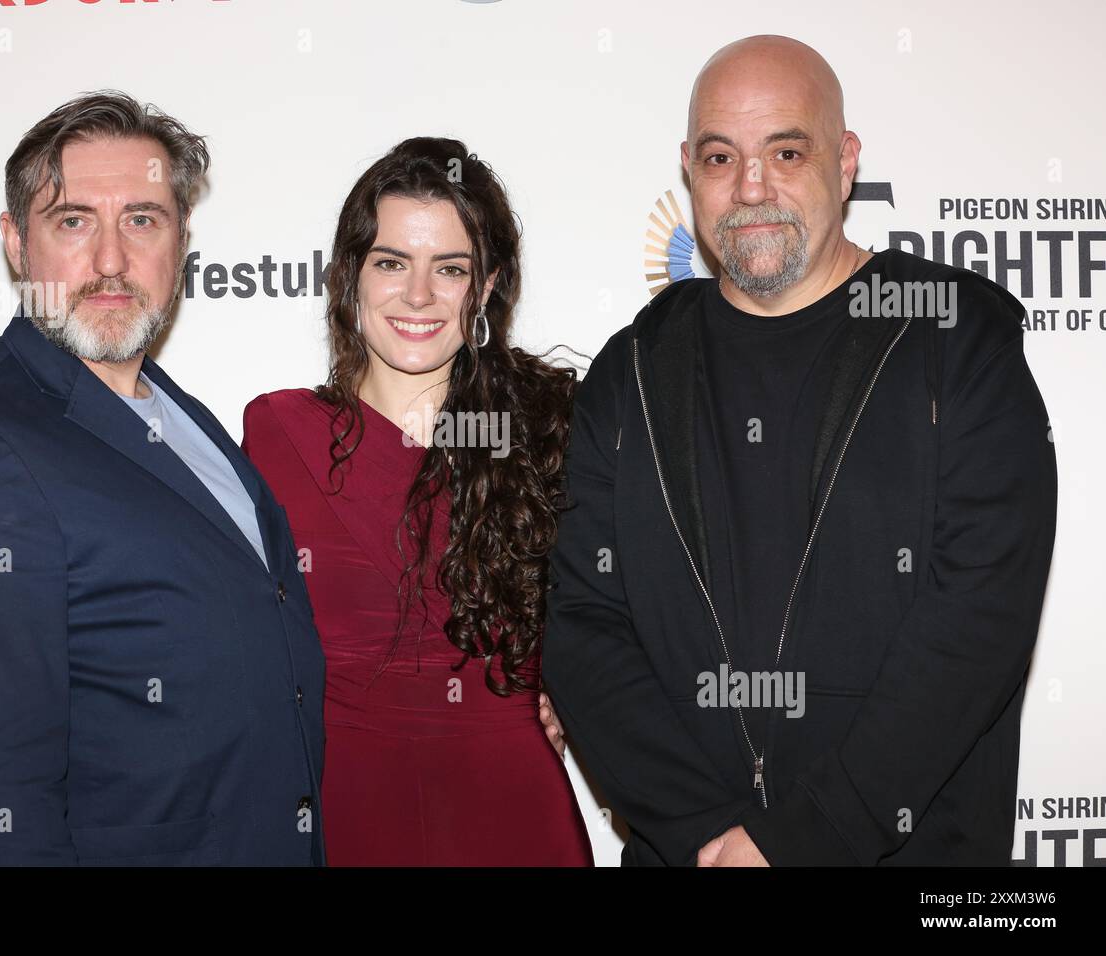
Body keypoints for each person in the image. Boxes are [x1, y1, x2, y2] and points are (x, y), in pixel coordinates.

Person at [543, 35, 1057, 866]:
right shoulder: (631, 370)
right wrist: (711, 839)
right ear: (688, 170)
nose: (753, 187)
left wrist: (802, 840)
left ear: (846, 161)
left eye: (787, 150)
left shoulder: (954, 339)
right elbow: (583, 624)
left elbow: (979, 622)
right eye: (720, 156)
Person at [0, 91, 326, 865]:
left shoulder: (186, 418)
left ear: (182, 240)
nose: (112, 259)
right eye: (74, 220)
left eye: (143, 220)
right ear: (17, 244)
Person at [242, 137, 593, 865]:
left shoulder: (553, 430)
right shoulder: (278, 435)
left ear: (488, 285)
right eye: (392, 263)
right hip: (340, 814)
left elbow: (627, 613)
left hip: (514, 816)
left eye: (451, 269)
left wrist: (580, 688)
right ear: (350, 276)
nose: (419, 296)